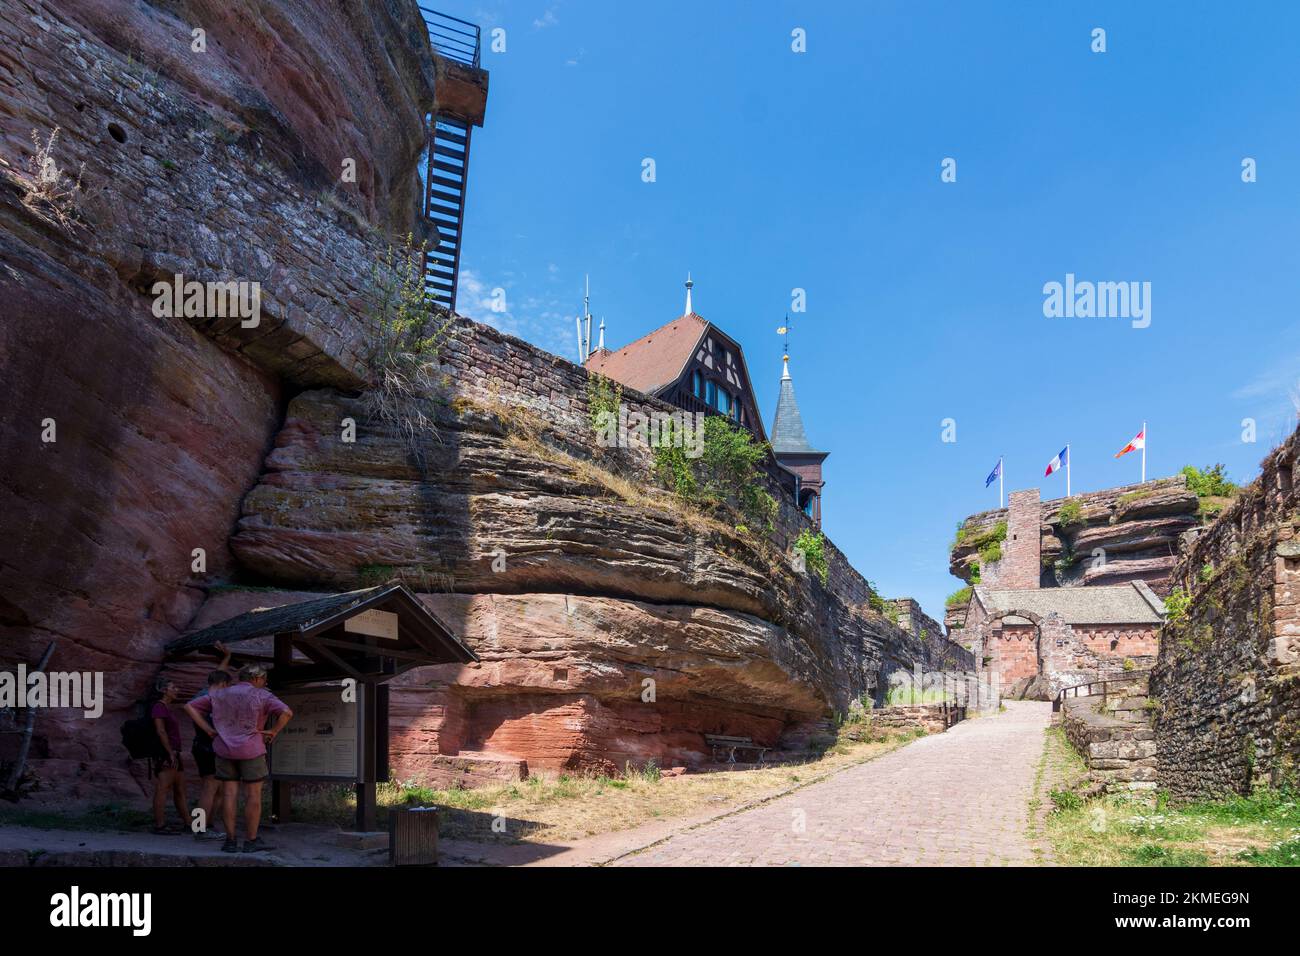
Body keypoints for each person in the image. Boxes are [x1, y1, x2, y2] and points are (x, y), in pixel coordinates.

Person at [185, 663, 292, 854]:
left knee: (229, 795)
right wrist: (274, 731)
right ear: (257, 679)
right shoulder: (263, 695)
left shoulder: (220, 694)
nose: (264, 683)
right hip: (251, 750)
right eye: (264, 680)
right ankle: (251, 841)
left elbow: (190, 706)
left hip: (224, 751)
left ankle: (230, 841)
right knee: (253, 796)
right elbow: (286, 712)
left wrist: (209, 730)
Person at [191, 667, 232, 840]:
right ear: (223, 684)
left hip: (205, 746)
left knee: (219, 790)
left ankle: (207, 825)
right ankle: (199, 829)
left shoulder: (202, 695)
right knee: (210, 788)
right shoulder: (210, 699)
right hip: (209, 747)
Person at [148, 677, 190, 834]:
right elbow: (160, 731)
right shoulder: (159, 707)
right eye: (173, 687)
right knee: (163, 788)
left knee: (179, 788)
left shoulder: (166, 707)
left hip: (173, 753)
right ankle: (159, 825)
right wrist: (169, 753)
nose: (177, 689)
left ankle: (189, 824)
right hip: (166, 753)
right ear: (164, 690)